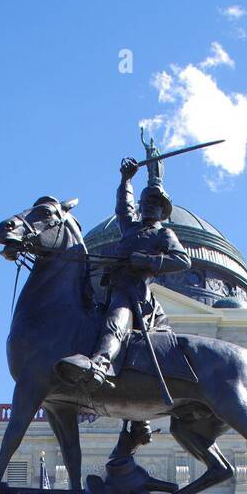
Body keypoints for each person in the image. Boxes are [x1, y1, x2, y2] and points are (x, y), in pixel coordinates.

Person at [56, 153, 190, 391]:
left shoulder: (163, 235)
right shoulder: (130, 228)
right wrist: (126, 180)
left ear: (162, 211)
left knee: (115, 322)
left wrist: (146, 260)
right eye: (146, 202)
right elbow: (123, 208)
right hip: (112, 287)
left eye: (155, 204)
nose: (149, 206)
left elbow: (182, 260)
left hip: (134, 292)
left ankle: (100, 363)